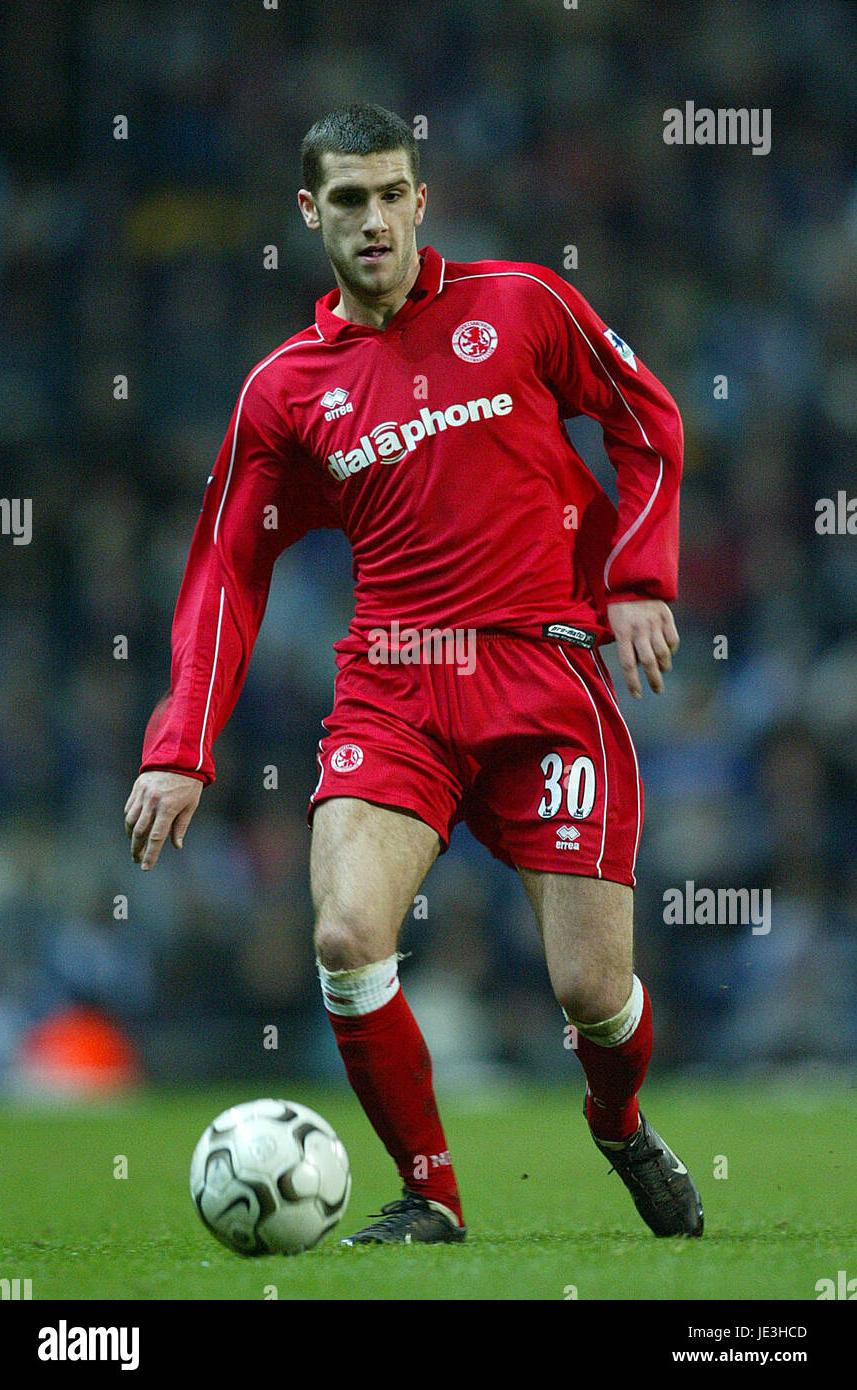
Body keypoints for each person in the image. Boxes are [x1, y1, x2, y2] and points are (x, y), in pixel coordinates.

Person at [124, 103, 702, 1244]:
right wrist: (181, 746)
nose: (374, 218)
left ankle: (618, 1117)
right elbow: (226, 572)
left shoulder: (521, 304)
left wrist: (638, 576)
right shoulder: (285, 390)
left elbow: (646, 415)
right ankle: (430, 1195)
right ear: (310, 213)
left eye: (392, 193)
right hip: (395, 684)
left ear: (421, 199)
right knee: (345, 934)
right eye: (348, 199)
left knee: (592, 995)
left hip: (543, 677)